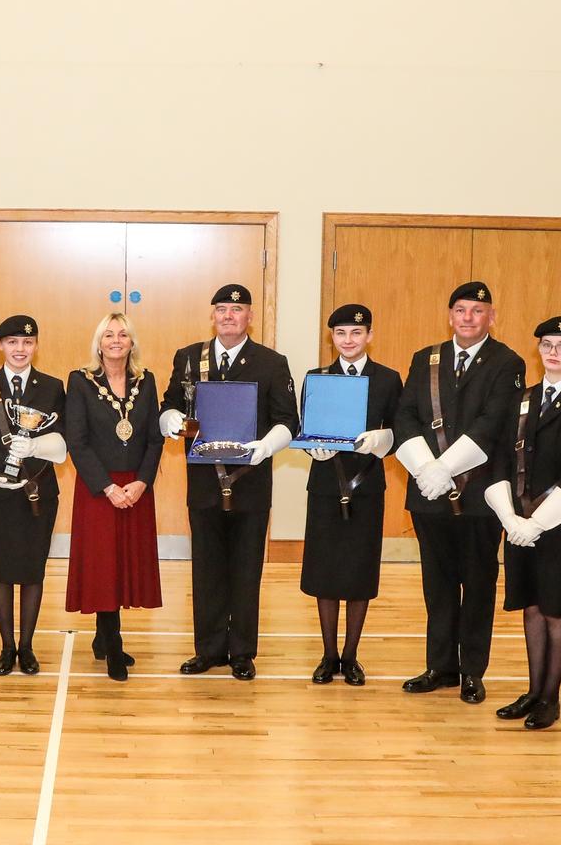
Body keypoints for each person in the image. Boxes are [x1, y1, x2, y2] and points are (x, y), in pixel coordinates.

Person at [156, 283, 298, 680]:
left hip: (250, 481)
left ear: (250, 316)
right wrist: (168, 420)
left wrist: (265, 448)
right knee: (206, 567)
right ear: (213, 315)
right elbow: (171, 404)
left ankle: (241, 652)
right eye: (221, 309)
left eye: (237, 310)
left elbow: (289, 420)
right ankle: (208, 649)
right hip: (203, 482)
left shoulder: (271, 362)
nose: (229, 316)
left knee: (246, 567)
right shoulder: (189, 358)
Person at [393, 280, 525, 702]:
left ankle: (472, 671)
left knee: (479, 582)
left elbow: (494, 422)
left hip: (480, 495)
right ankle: (440, 666)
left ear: (492, 317)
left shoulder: (508, 362)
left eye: (478, 311)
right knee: (438, 583)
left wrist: (445, 468)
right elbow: (406, 415)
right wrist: (426, 470)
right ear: (450, 315)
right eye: (462, 310)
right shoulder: (425, 359)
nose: (469, 318)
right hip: (429, 493)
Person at [483, 316, 561, 730]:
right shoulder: (525, 398)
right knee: (531, 606)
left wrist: (538, 522)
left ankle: (551, 698)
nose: (554, 352)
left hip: (560, 524)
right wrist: (511, 517)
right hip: (519, 522)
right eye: (547, 345)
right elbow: (501, 457)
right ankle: (533, 690)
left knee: (556, 609)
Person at [299, 303, 399, 685]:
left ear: (369, 336)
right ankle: (328, 656)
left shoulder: (388, 379)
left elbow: (399, 430)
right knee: (325, 572)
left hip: (367, 486)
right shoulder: (316, 377)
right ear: (332, 338)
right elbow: (303, 426)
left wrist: (384, 439)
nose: (348, 340)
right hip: (326, 484)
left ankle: (351, 656)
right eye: (341, 334)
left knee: (359, 573)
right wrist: (310, 447)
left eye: (356, 333)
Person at [0, 314, 69, 676]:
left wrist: (34, 444)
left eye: (26, 342)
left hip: (37, 491)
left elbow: (62, 442)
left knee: (32, 569)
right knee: (0, 571)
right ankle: (7, 647)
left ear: (36, 345)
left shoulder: (53, 386)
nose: (19, 349)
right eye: (12, 342)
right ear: (0, 346)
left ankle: (27, 647)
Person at [65, 312, 164, 680]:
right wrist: (107, 487)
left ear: (132, 342)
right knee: (103, 566)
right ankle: (114, 645)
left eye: (123, 334)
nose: (116, 340)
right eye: (109, 335)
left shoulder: (146, 380)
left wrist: (142, 482)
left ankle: (101, 637)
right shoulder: (80, 382)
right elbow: (77, 440)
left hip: (135, 488)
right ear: (99, 343)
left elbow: (154, 439)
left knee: (123, 564)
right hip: (99, 489)